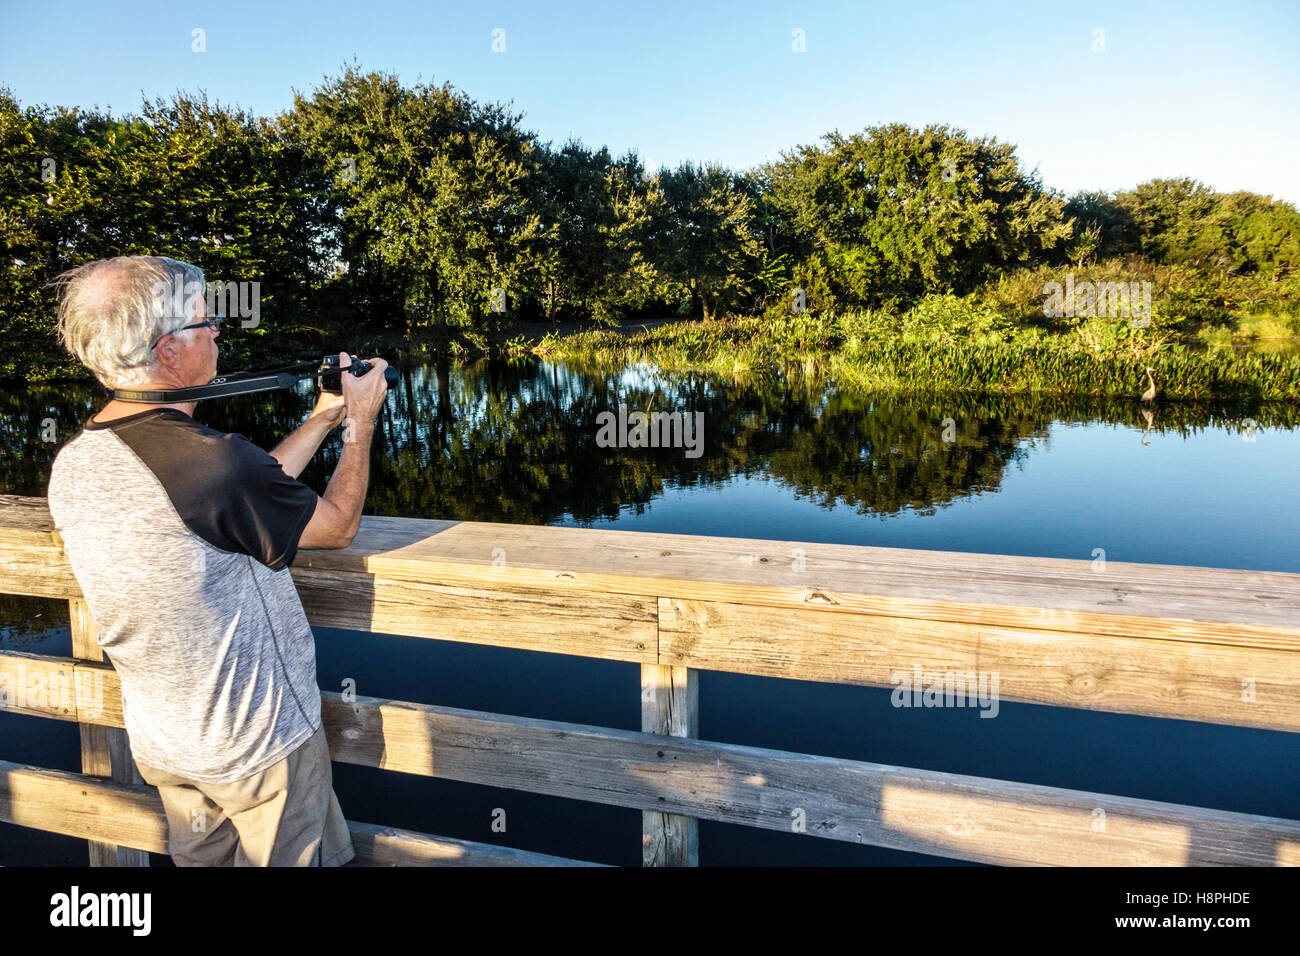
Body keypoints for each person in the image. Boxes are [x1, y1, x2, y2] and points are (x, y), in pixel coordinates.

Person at [45, 255, 389, 866]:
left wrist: (324, 415)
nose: (217, 334)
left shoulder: (79, 458)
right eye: (206, 323)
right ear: (169, 350)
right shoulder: (210, 464)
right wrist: (360, 422)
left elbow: (247, 495)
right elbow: (334, 528)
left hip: (170, 748)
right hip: (258, 747)